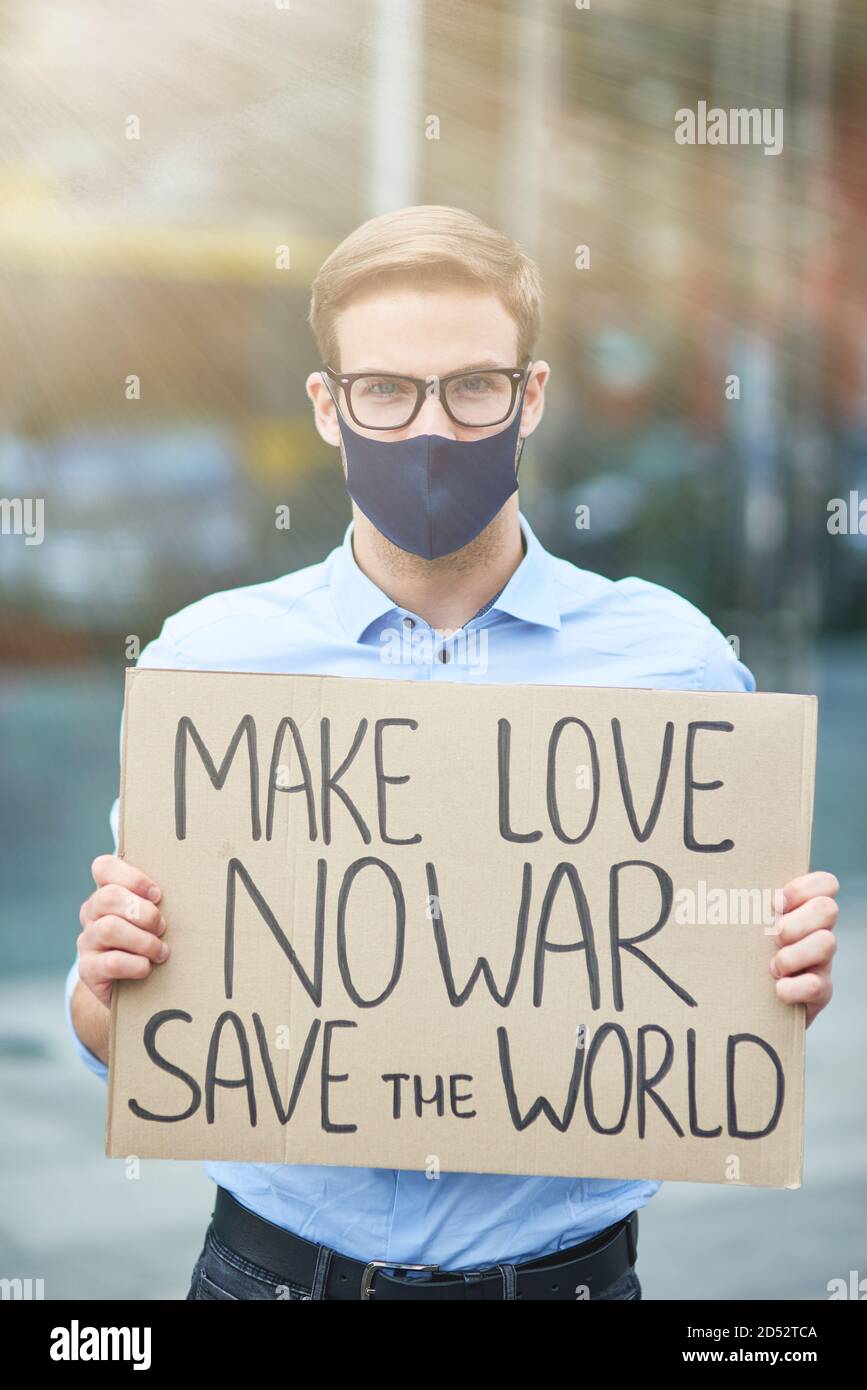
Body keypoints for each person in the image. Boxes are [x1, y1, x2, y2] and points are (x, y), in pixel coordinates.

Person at [66, 205, 839, 1301]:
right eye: (386, 390)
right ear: (330, 409)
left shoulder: (677, 665)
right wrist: (109, 979)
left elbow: (720, 994)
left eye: (473, 386)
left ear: (529, 395)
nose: (432, 428)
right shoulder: (210, 662)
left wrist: (776, 973)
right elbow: (110, 1034)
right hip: (273, 1280)